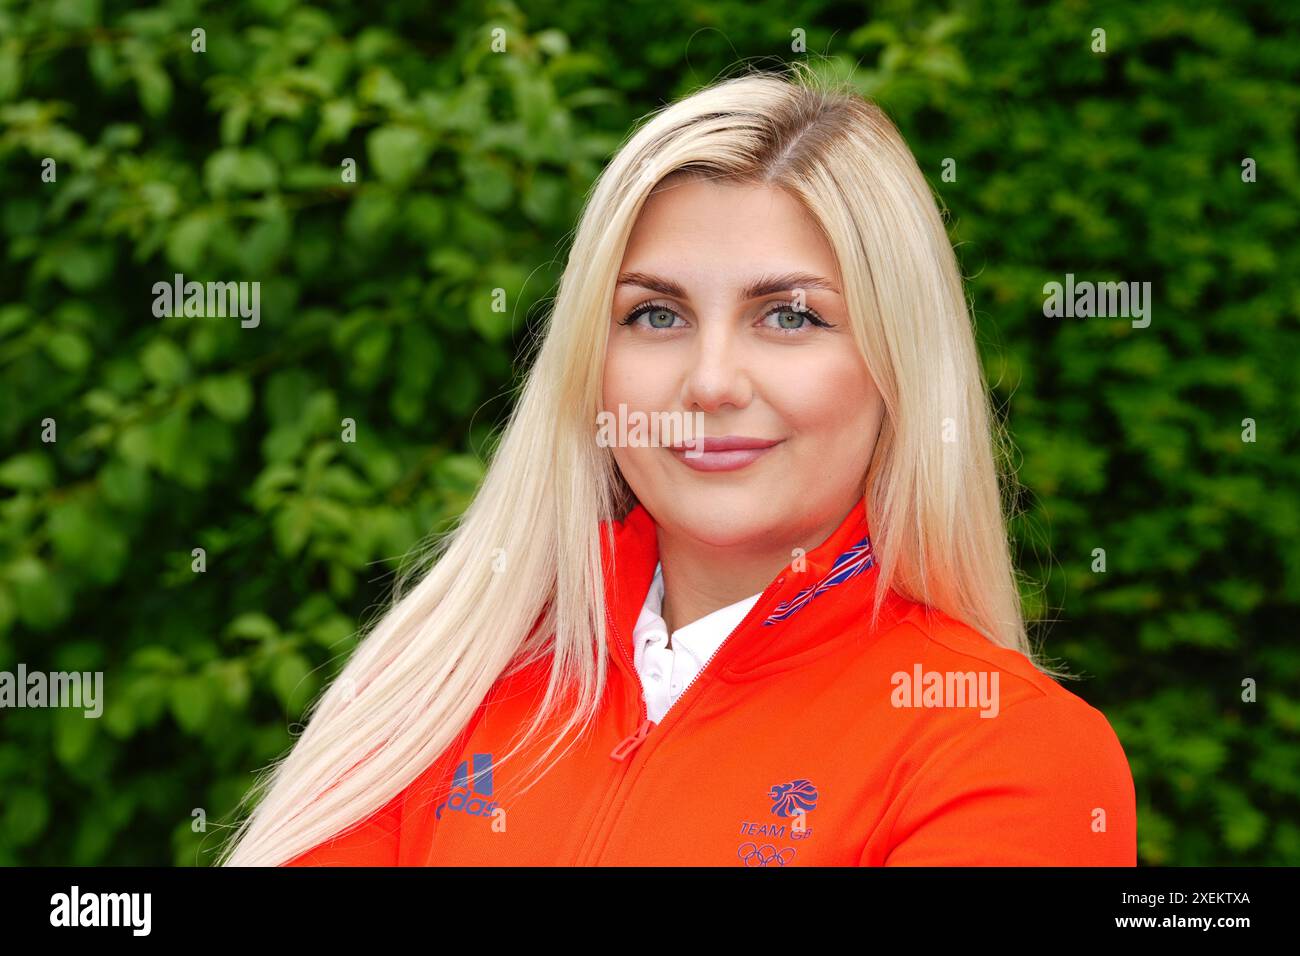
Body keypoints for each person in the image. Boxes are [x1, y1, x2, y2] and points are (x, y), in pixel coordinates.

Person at [221, 67, 1136, 867]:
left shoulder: (1004, 750)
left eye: (790, 316)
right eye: (656, 315)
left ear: (898, 366)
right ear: (590, 358)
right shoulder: (435, 689)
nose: (709, 382)